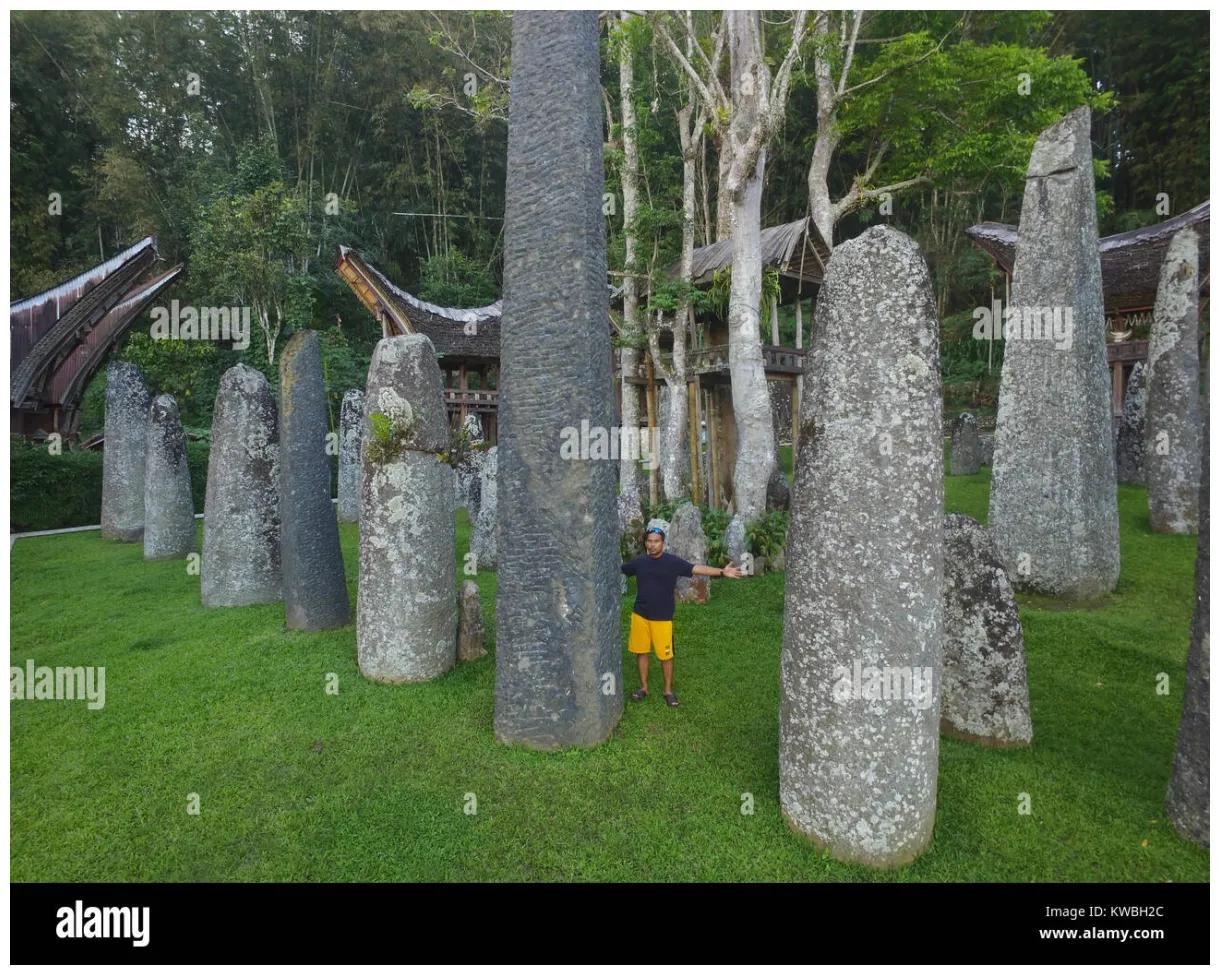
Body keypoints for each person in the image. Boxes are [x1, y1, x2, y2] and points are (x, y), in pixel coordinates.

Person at [620, 525, 743, 707]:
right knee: (641, 651)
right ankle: (644, 687)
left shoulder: (672, 562)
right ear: (646, 543)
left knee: (666, 655)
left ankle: (668, 690)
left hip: (662, 618)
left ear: (663, 543)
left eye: (656, 541)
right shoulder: (639, 562)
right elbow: (622, 568)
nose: (652, 545)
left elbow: (696, 568)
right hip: (640, 615)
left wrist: (721, 572)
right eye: (649, 541)